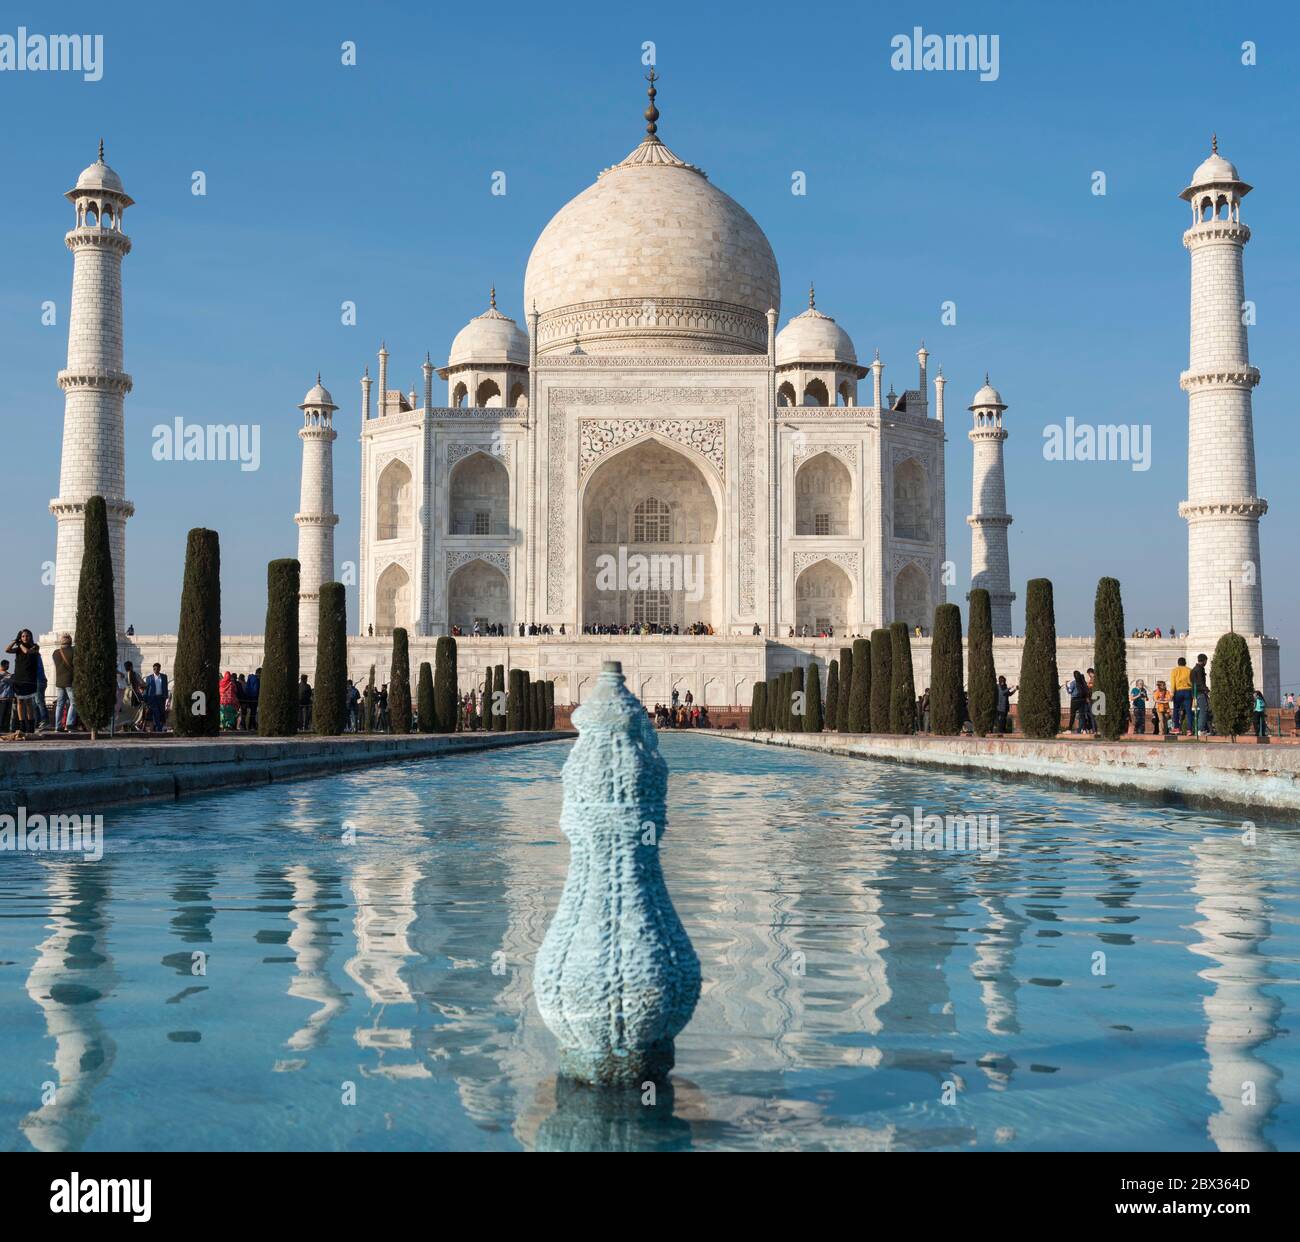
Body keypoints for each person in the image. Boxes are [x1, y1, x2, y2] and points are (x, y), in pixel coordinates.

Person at [5, 630, 41, 736]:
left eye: (27, 636)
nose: (25, 637)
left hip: (29, 678)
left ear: (30, 636)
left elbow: (26, 651)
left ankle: (30, 725)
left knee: (29, 703)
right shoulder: (18, 649)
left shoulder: (34, 647)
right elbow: (7, 650)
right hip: (19, 677)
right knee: (20, 702)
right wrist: (15, 641)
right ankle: (22, 725)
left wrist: (20, 643)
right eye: (23, 636)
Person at [52, 633, 77, 731]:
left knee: (60, 704)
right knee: (74, 703)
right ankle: (69, 724)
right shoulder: (74, 651)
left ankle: (58, 726)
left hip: (59, 682)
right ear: (70, 641)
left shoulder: (55, 653)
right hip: (70, 681)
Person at [1169, 657, 1193, 734]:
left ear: (1178, 663)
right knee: (1188, 711)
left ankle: (1177, 728)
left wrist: (1172, 693)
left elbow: (1173, 683)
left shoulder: (1175, 670)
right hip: (1188, 691)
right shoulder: (1189, 670)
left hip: (1178, 692)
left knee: (1176, 710)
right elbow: (1192, 682)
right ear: (1185, 663)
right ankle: (1189, 730)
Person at [145, 662, 169, 732]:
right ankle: (159, 728)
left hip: (161, 697)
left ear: (159, 669)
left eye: (157, 669)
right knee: (156, 712)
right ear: (153, 669)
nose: (155, 670)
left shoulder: (164, 677)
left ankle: (159, 727)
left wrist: (166, 696)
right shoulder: (149, 678)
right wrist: (146, 698)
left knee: (162, 712)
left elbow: (165, 687)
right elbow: (147, 688)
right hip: (153, 698)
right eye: (154, 669)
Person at [1191, 652, 1209, 737]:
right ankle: (1201, 729)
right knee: (1203, 710)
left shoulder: (1194, 669)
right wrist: (1206, 690)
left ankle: (1199, 729)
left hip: (1195, 693)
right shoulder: (1200, 669)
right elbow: (1200, 682)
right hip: (1200, 693)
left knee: (1197, 712)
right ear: (1204, 661)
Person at [1066, 669, 1088, 734]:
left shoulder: (1073, 683)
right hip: (1082, 700)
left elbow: (1069, 692)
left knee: (1072, 715)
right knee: (1082, 715)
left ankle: (1069, 730)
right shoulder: (1083, 682)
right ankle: (1084, 730)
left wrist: (1066, 685)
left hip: (1074, 701)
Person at [246, 667, 261, 731]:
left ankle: (250, 725)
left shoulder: (250, 678)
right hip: (254, 697)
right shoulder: (257, 680)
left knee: (251, 712)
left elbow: (247, 687)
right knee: (253, 712)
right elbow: (256, 689)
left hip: (249, 697)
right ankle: (253, 725)